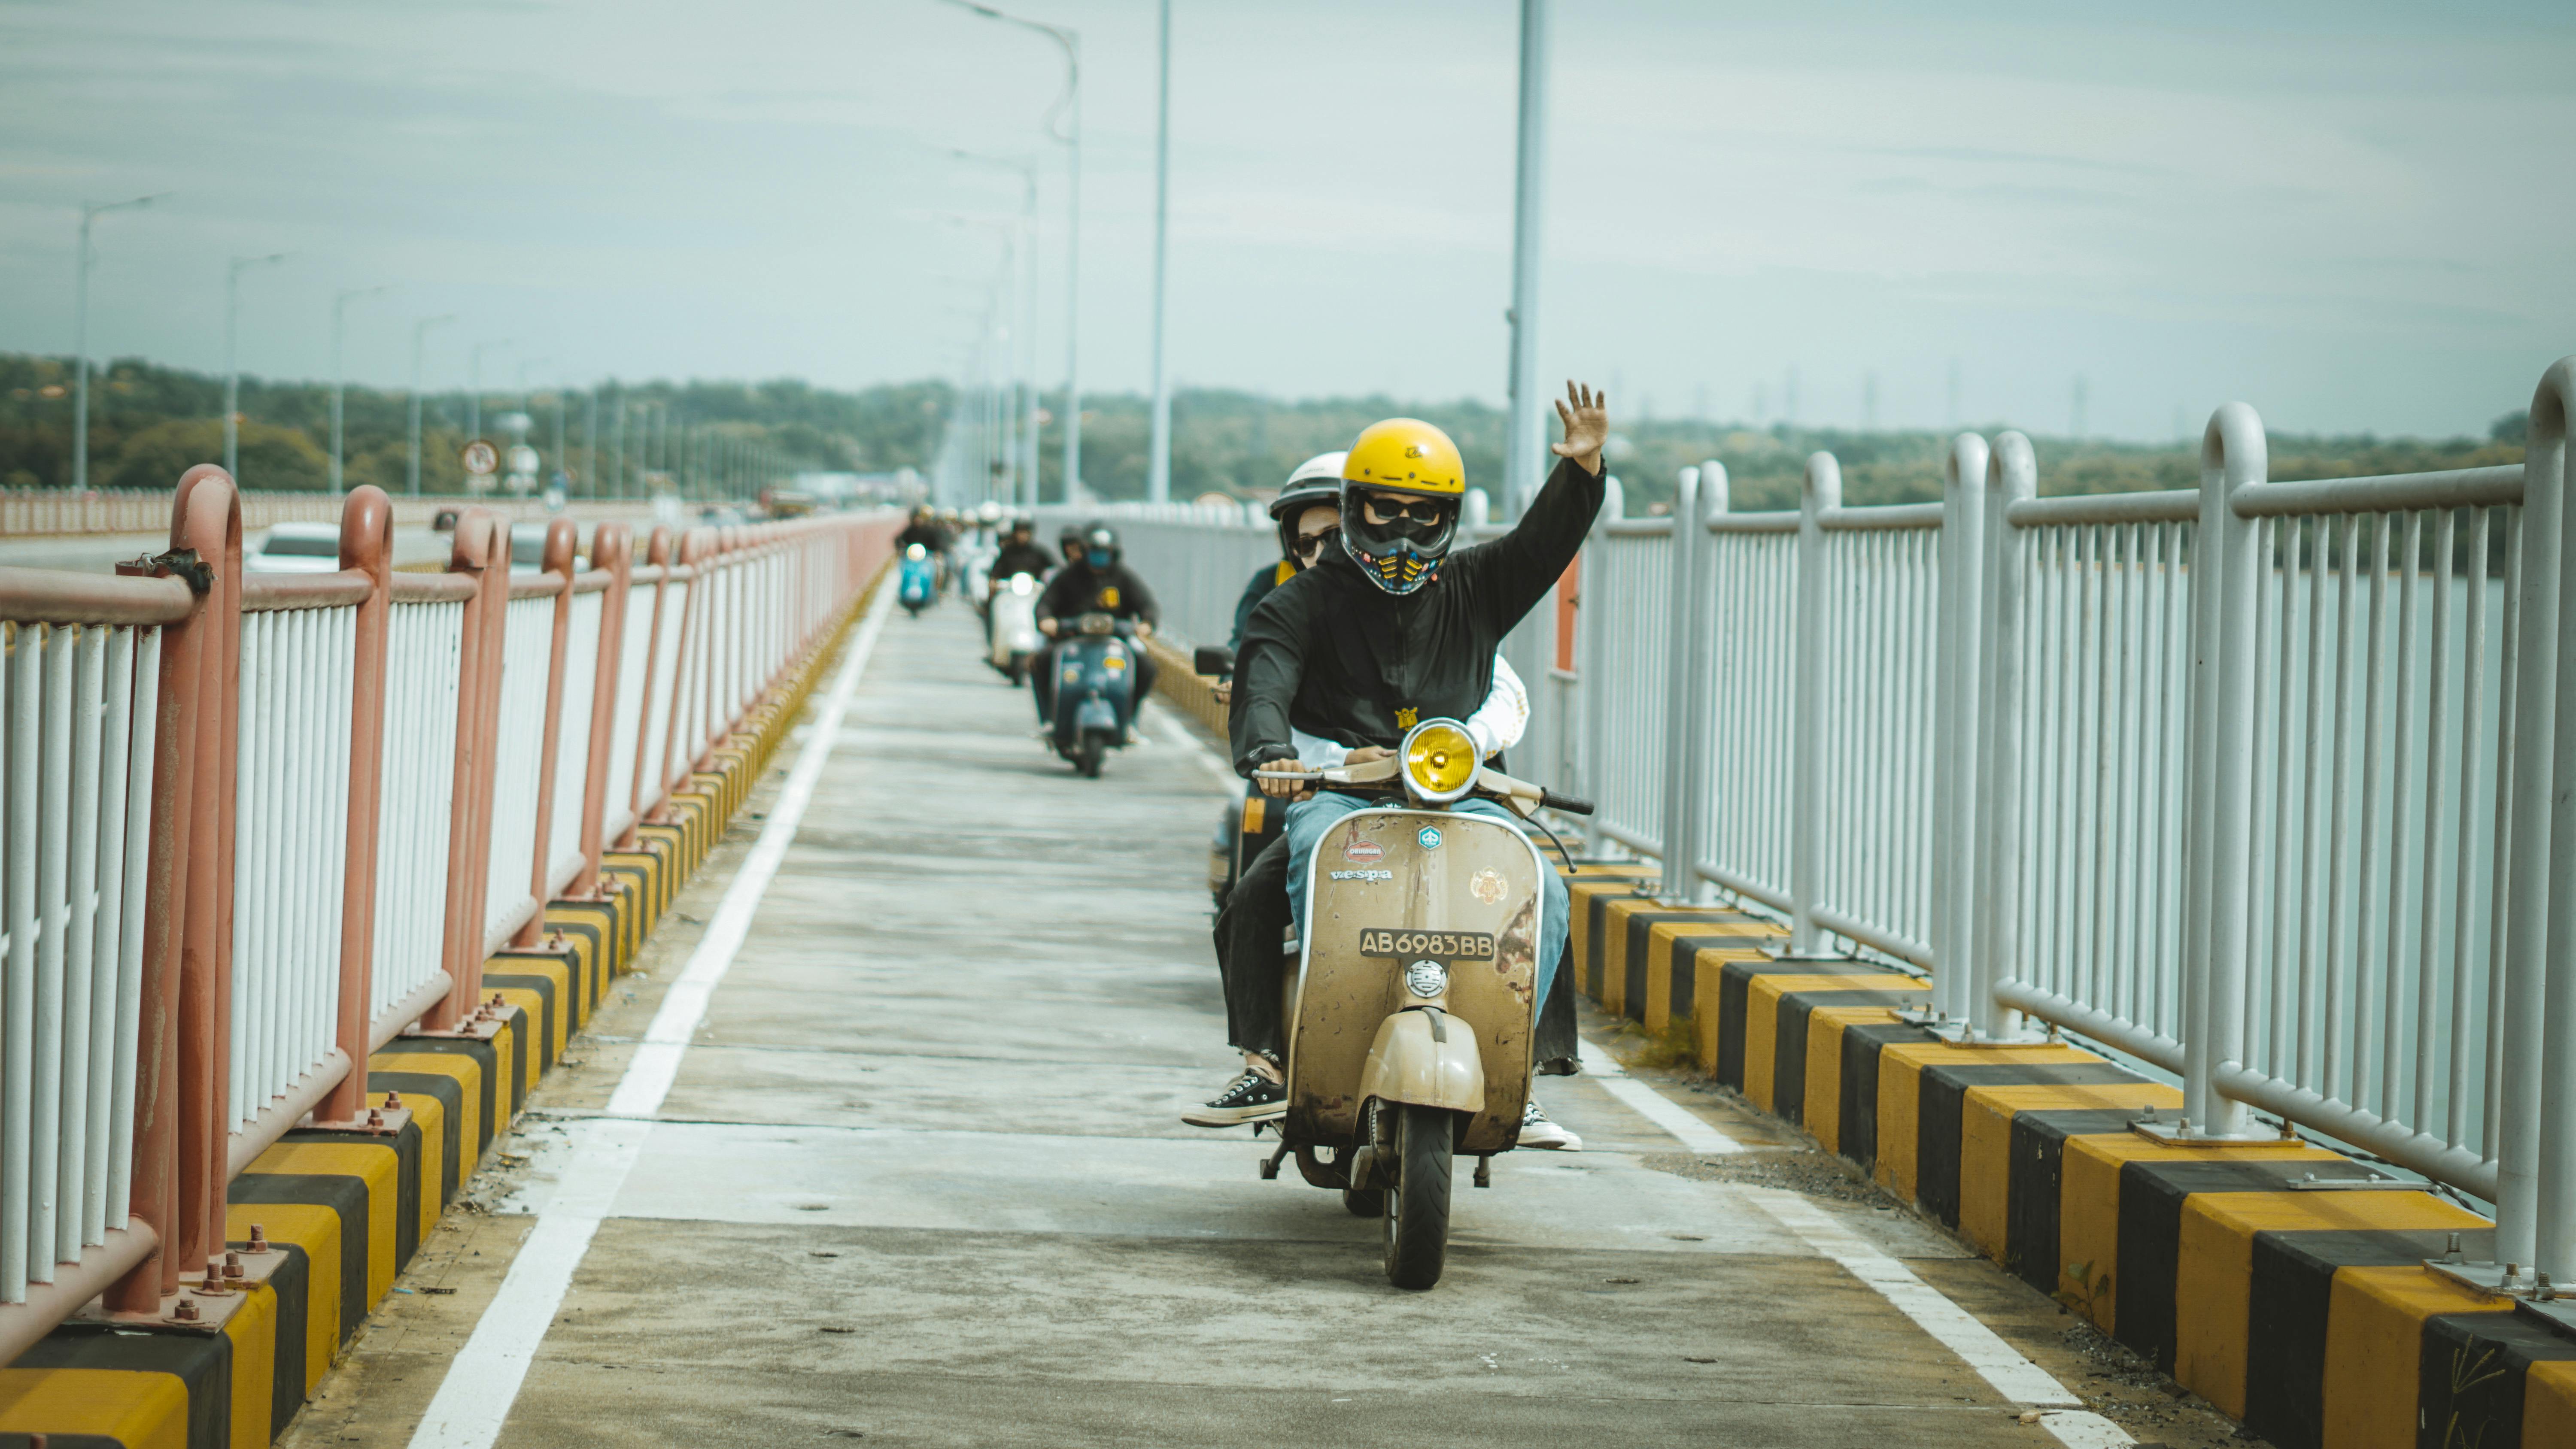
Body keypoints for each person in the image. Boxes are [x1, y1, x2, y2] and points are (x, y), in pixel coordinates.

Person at [1196, 385, 1608, 1148]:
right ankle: (1271, 1060)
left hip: (1458, 798)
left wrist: (1583, 472)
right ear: (1356, 507)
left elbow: (1543, 544)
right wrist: (1271, 753)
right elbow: (1265, 680)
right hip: (1342, 800)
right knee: (1260, 893)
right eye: (1386, 511)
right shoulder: (1300, 603)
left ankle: (1519, 1071)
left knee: (1544, 886)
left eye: (1425, 516)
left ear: (1450, 519)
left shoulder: (1479, 586)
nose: (1404, 535)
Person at [1032, 523, 1161, 726]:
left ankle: (1129, 720)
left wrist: (1147, 623)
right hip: (1073, 641)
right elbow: (1046, 604)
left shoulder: (1123, 578)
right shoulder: (1068, 577)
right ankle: (1051, 719)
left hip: (1116, 643)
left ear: (1113, 553)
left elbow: (1147, 605)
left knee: (1146, 668)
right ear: (1085, 551)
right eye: (1094, 551)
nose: (1099, 556)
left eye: (1104, 551)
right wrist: (1047, 621)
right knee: (1041, 662)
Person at [991, 517, 1055, 582]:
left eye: (1025, 533)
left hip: (1035, 589)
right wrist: (994, 581)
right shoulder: (1007, 553)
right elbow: (997, 571)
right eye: (1020, 532)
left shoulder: (1039, 553)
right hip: (1010, 589)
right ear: (1014, 534)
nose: (1022, 536)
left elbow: (1052, 570)